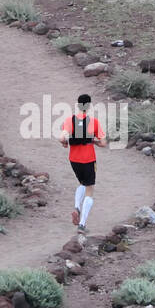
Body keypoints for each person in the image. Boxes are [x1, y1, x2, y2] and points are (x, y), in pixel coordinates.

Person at [59, 93, 106, 233]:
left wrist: (65, 144)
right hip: (89, 159)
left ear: (78, 105)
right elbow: (103, 143)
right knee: (90, 189)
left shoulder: (69, 120)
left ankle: (76, 207)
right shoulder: (94, 122)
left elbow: (62, 137)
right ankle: (82, 224)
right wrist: (94, 141)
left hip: (74, 160)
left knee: (82, 183)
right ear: (89, 105)